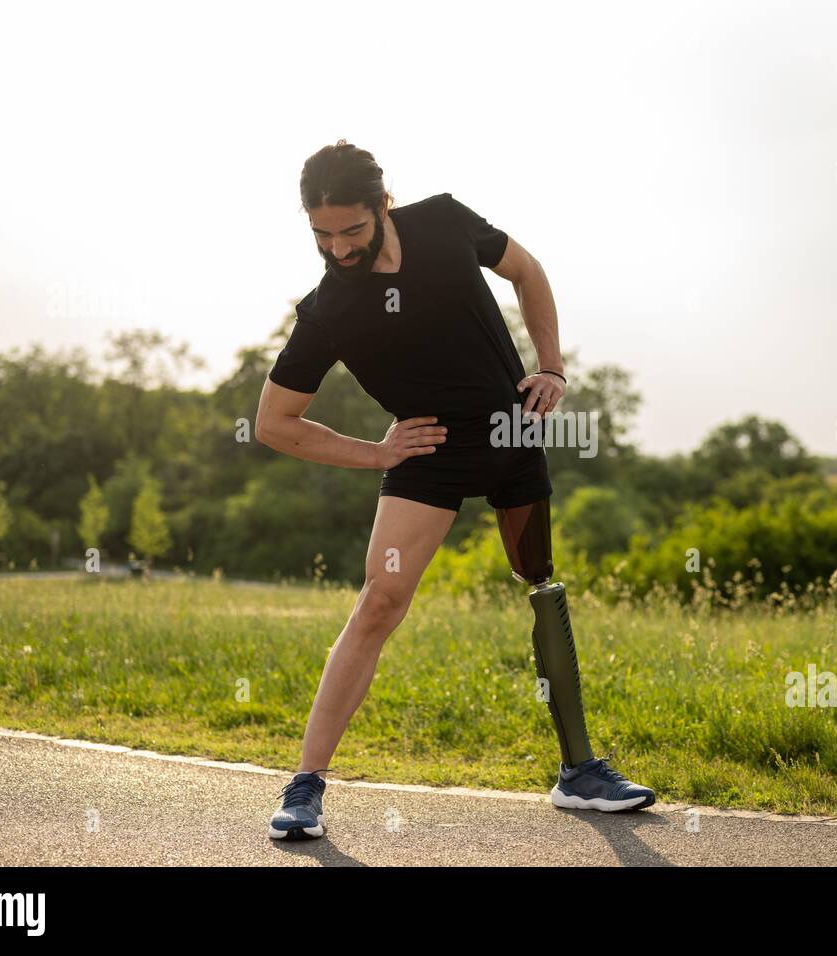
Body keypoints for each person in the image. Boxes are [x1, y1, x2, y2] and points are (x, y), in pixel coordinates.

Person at [256, 140, 654, 840]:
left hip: (511, 436)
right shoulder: (327, 310)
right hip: (428, 457)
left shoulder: (443, 222)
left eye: (351, 229)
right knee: (380, 602)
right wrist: (376, 451)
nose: (338, 248)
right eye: (321, 234)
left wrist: (552, 367)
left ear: (384, 204)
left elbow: (527, 272)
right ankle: (306, 786)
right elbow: (274, 423)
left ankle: (579, 772)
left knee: (540, 585)